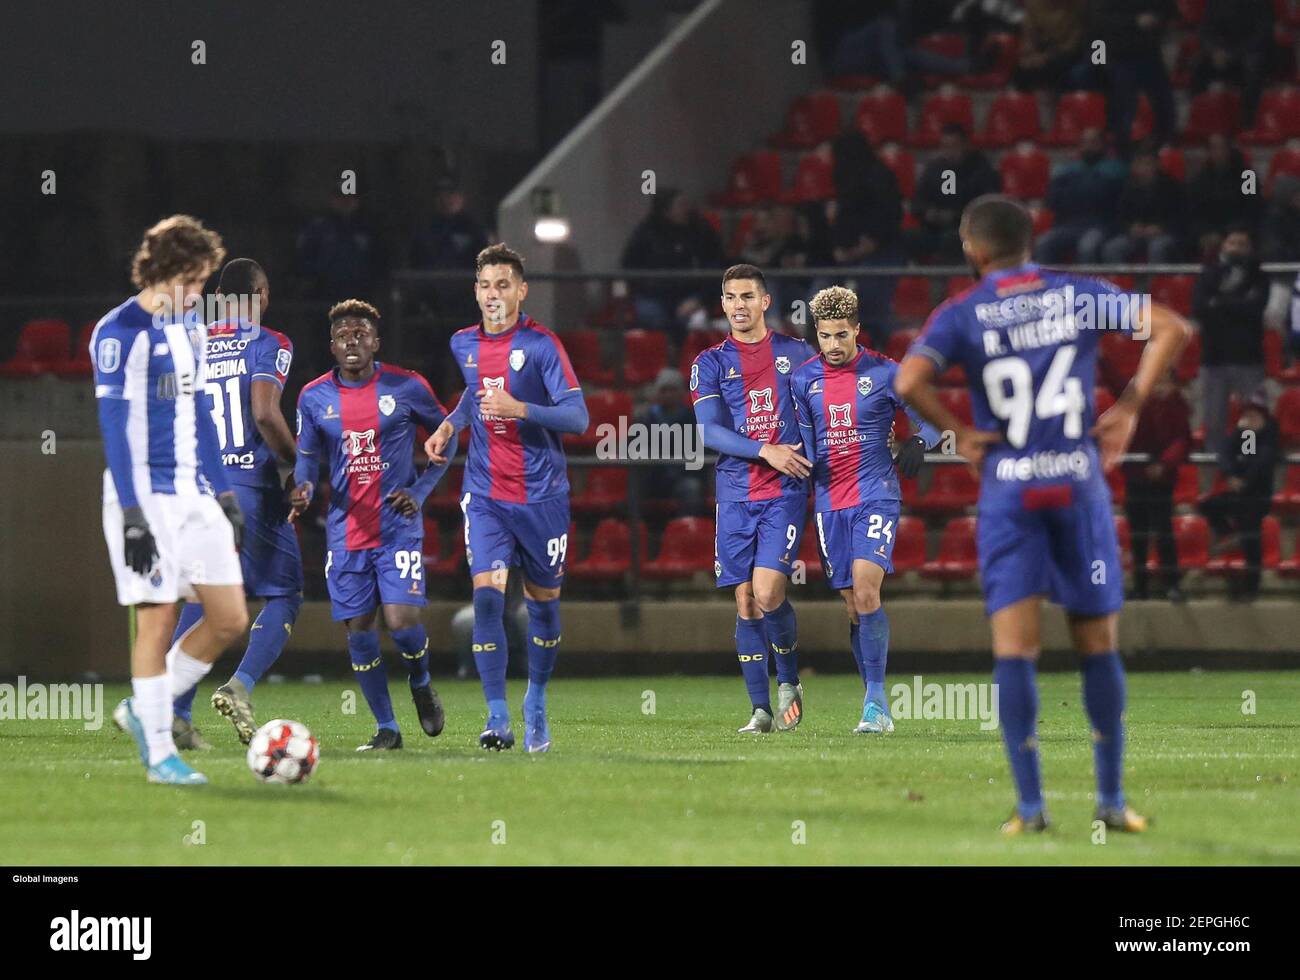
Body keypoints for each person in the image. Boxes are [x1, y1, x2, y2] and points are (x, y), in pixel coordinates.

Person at [896, 194, 1190, 835]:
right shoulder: (1076, 293)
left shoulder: (962, 312)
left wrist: (961, 437)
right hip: (1077, 482)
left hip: (1010, 493)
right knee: (1097, 643)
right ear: (1031, 243)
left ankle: (1031, 810)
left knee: (1016, 651)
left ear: (973, 249)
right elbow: (1171, 326)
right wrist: (1130, 406)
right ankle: (1111, 803)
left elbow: (908, 382)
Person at [96, 215, 249, 785]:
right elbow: (113, 427)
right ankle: (160, 752)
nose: (201, 291)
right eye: (194, 278)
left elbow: (202, 411)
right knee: (157, 620)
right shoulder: (118, 333)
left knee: (230, 617)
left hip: (193, 493)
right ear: (164, 271)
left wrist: (226, 493)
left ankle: (143, 708)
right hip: (146, 500)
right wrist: (133, 515)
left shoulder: (193, 328)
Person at [423, 244, 589, 752]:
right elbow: (475, 394)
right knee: (487, 598)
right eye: (485, 286)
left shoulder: (542, 346)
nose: (494, 294)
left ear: (521, 290)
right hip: (486, 494)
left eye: (503, 285)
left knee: (541, 609)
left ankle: (535, 699)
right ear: (476, 292)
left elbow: (578, 418)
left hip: (543, 497)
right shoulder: (462, 343)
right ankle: (497, 716)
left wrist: (520, 409)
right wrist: (450, 425)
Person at [290, 300, 450, 751]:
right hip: (346, 532)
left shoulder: (406, 386)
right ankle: (387, 729)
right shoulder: (313, 397)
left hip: (397, 526)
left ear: (376, 342)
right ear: (332, 346)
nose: (352, 342)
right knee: (359, 631)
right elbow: (306, 461)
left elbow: (447, 438)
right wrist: (302, 489)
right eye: (343, 336)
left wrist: (419, 492)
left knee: (400, 623)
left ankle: (420, 680)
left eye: (361, 334)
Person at [167, 258, 304, 748]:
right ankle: (239, 685)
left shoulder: (193, 341)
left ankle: (172, 712)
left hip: (198, 484)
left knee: (202, 595)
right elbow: (265, 413)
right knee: (285, 591)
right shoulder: (270, 343)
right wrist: (296, 462)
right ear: (262, 295)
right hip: (249, 484)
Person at [790, 286, 939, 733]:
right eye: (824, 336)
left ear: (857, 330)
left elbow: (931, 418)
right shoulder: (802, 380)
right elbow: (806, 444)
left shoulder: (887, 372)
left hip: (876, 493)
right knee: (853, 605)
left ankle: (877, 704)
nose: (833, 346)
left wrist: (917, 441)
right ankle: (872, 699)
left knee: (867, 589)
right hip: (829, 502)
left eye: (841, 335)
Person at [689, 264, 815, 734]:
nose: (738, 305)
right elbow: (709, 430)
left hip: (784, 489)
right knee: (744, 601)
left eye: (747, 296)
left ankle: (788, 681)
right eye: (730, 297)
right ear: (722, 304)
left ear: (765, 302)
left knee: (767, 593)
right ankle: (761, 711)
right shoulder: (710, 363)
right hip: (735, 492)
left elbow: (818, 412)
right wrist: (766, 449)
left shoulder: (797, 354)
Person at [1193, 226, 1269, 460]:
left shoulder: (1259, 276)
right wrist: (1237, 303)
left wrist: (1219, 302)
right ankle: (1216, 465)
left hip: (1248, 357)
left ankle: (1249, 461)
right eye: (1232, 243)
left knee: (1252, 416)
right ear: (1224, 246)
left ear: (1250, 248)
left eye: (1242, 244)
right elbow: (1200, 309)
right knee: (1214, 419)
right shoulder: (1208, 274)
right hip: (1214, 357)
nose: (1236, 248)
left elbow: (1255, 309)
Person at [1199, 388, 1279, 601]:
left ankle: (1251, 588)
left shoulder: (1270, 431)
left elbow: (1262, 460)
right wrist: (1231, 474)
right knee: (1208, 505)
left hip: (1257, 496)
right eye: (1248, 412)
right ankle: (1229, 532)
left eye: (1255, 412)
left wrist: (1244, 481)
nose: (1250, 416)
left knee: (1251, 538)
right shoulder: (1245, 433)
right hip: (1238, 493)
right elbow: (1227, 453)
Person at [1122, 371, 1190, 602]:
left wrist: (1164, 465)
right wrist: (1102, 358)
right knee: (1137, 536)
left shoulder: (1178, 406)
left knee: (1164, 534)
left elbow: (1182, 440)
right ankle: (1140, 586)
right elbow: (1116, 383)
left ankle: (1172, 584)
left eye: (1164, 382)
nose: (1160, 387)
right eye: (1157, 381)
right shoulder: (1138, 402)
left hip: (1161, 481)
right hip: (1135, 477)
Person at [908, 123, 1000, 263]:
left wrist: (954, 216)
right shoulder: (934, 170)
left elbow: (986, 207)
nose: (949, 151)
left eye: (954, 146)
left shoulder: (982, 171)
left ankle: (948, 282)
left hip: (967, 230)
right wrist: (929, 212)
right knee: (909, 237)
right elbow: (917, 203)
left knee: (950, 239)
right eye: (945, 147)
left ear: (965, 145)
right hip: (934, 229)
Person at [1033, 128, 1127, 264]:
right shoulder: (1067, 170)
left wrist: (1078, 194)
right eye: (1085, 142)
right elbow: (1053, 200)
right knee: (1043, 243)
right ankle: (1047, 285)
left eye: (1093, 142)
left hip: (1101, 225)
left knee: (1087, 246)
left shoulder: (1115, 170)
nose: (1089, 146)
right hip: (1069, 224)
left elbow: (1104, 198)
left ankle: (1086, 285)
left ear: (1103, 145)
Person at [294, 188, 385, 302]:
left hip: (361, 298)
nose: (345, 201)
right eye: (340, 197)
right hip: (323, 298)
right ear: (332, 198)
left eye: (350, 197)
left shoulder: (370, 229)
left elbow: (379, 263)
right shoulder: (317, 228)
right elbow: (304, 262)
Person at [636, 368, 706, 516]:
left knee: (691, 487)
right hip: (654, 476)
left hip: (682, 476)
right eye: (663, 390)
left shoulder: (693, 419)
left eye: (672, 390)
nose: (668, 394)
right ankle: (640, 534)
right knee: (635, 486)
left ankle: (687, 530)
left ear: (681, 393)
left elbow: (698, 456)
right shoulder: (646, 420)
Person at [1101, 145, 1184, 264]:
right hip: (1136, 235)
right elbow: (1121, 216)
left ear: (1156, 165)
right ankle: (1118, 282)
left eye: (1147, 164)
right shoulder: (1129, 187)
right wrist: (1131, 227)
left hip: (1164, 233)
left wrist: (1161, 228)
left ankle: (1155, 282)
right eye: (1139, 164)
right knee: (1112, 248)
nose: (1143, 168)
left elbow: (1180, 217)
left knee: (1157, 247)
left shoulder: (1171, 186)